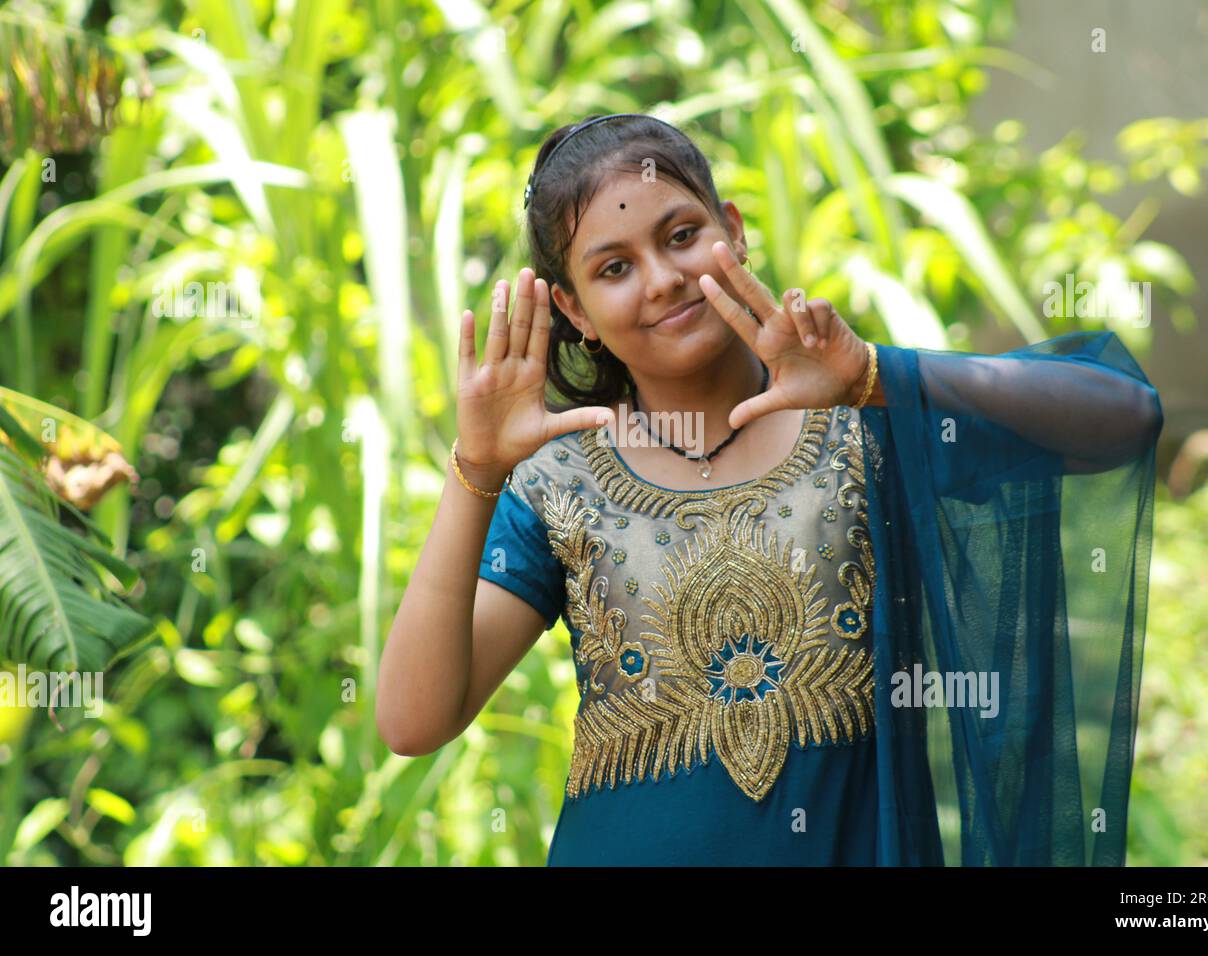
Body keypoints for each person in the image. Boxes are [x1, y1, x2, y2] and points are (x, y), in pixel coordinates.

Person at [376, 113, 1163, 866]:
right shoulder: (559, 480)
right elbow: (414, 720)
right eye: (614, 267)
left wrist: (877, 377)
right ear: (575, 309)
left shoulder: (866, 423)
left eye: (682, 236)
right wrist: (477, 473)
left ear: (734, 229)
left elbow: (1125, 418)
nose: (663, 279)